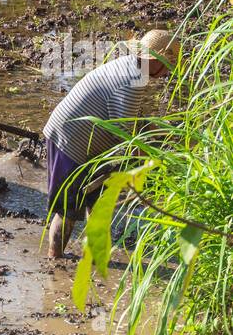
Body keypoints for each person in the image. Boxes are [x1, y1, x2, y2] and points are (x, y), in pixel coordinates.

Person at [44, 29, 180, 259]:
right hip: (71, 140)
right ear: (153, 60)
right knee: (68, 208)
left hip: (88, 141)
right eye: (167, 65)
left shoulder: (132, 67)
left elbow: (131, 117)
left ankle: (94, 253)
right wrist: (147, 163)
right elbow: (125, 134)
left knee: (97, 200)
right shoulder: (132, 81)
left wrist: (160, 131)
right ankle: (54, 259)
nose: (167, 72)